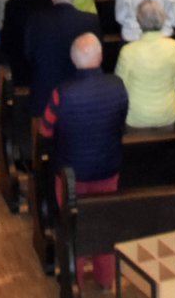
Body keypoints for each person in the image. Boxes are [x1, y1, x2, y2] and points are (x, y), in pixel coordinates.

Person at [40, 33, 130, 282]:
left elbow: (45, 131)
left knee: (73, 227)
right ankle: (105, 278)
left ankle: (74, 279)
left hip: (71, 174)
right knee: (103, 223)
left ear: (73, 60)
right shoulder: (117, 86)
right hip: (108, 169)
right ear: (100, 57)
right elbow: (121, 121)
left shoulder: (62, 93)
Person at [115, 0, 175, 129]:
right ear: (163, 18)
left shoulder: (128, 51)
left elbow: (120, 87)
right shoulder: (174, 47)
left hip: (136, 116)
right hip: (167, 114)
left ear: (139, 20)